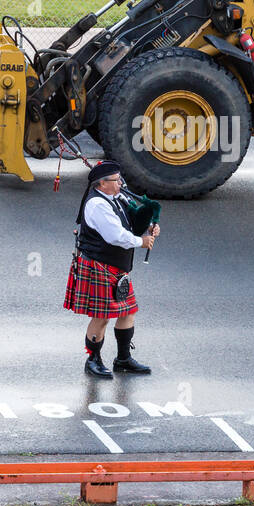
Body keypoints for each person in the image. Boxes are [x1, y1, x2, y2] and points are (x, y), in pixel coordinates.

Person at [63, 161, 159, 378]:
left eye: (120, 178)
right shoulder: (98, 205)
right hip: (99, 265)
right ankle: (93, 360)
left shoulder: (117, 198)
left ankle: (123, 359)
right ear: (102, 184)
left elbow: (130, 223)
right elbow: (115, 236)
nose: (121, 183)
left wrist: (149, 227)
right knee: (102, 317)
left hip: (116, 266)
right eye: (116, 180)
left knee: (127, 312)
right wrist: (141, 242)